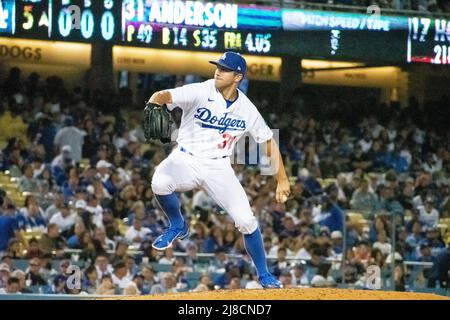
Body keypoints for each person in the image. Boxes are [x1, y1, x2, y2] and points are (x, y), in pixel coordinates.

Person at [147, 52, 290, 288]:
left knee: (246, 220)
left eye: (224, 69)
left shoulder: (246, 108)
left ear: (238, 77)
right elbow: (163, 95)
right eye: (218, 67)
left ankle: (264, 274)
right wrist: (154, 102)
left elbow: (267, 141)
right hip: (186, 159)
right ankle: (177, 224)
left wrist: (282, 180)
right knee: (160, 182)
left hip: (218, 166)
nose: (218, 71)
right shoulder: (201, 90)